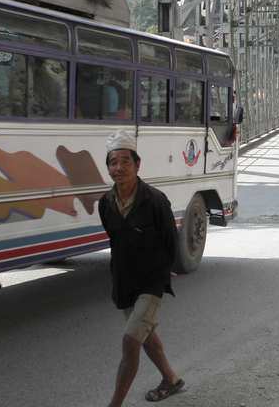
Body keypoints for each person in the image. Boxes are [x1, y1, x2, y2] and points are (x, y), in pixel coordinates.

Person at [99, 130, 184, 406]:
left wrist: (164, 272)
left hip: (151, 282)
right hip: (124, 281)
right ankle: (171, 379)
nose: (119, 168)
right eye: (113, 162)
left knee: (130, 341)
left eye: (126, 161)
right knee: (144, 336)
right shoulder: (105, 203)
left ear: (138, 165)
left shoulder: (155, 201)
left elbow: (171, 240)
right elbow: (116, 241)